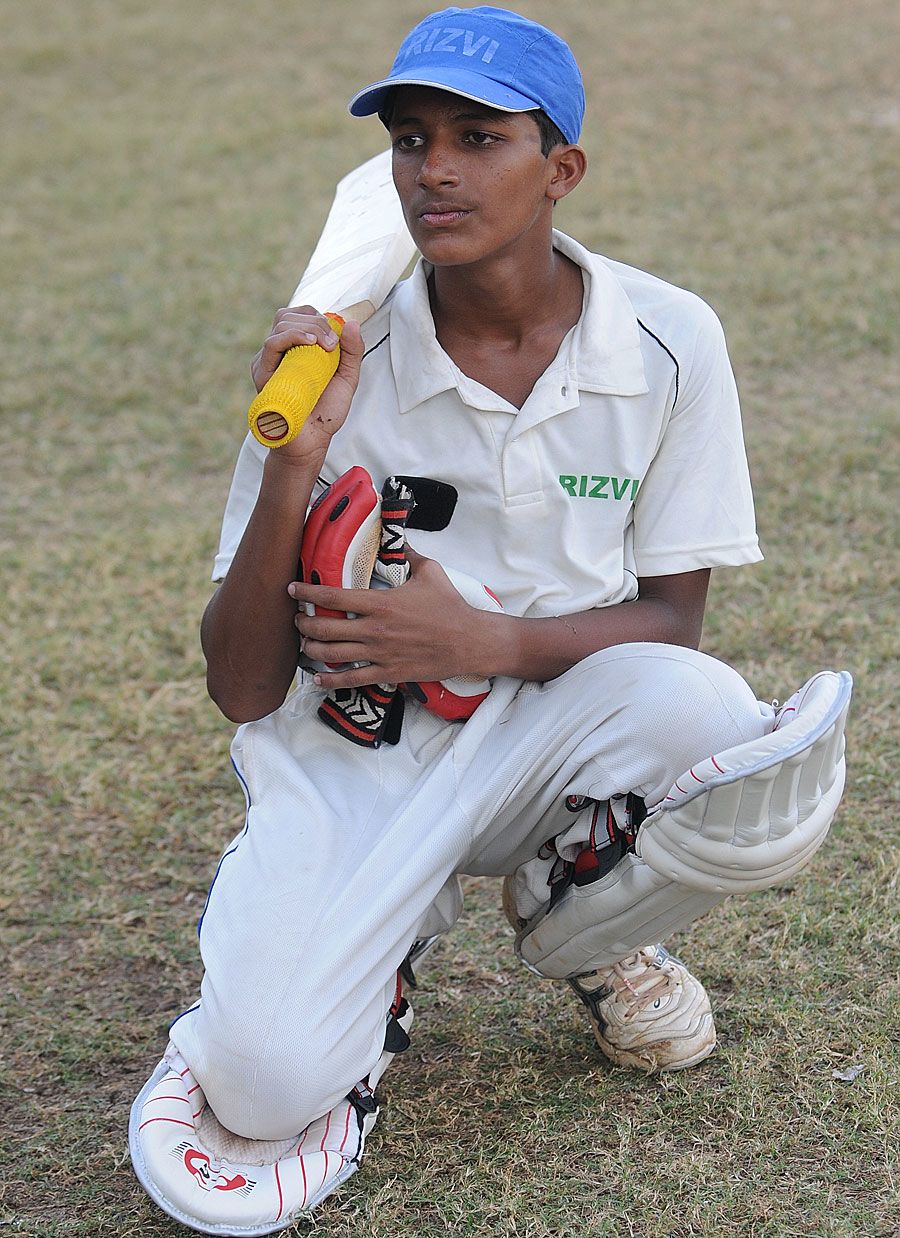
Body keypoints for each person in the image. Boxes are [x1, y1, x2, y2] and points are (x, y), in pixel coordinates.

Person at [128, 8, 848, 1234]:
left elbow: (671, 616)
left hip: (549, 720)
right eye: (411, 142)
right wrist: (297, 463)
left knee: (718, 723)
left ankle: (585, 914)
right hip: (357, 754)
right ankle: (378, 947)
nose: (435, 171)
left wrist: (487, 644)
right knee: (259, 1086)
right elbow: (244, 690)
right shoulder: (331, 362)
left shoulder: (670, 338)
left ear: (560, 168)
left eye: (478, 137)